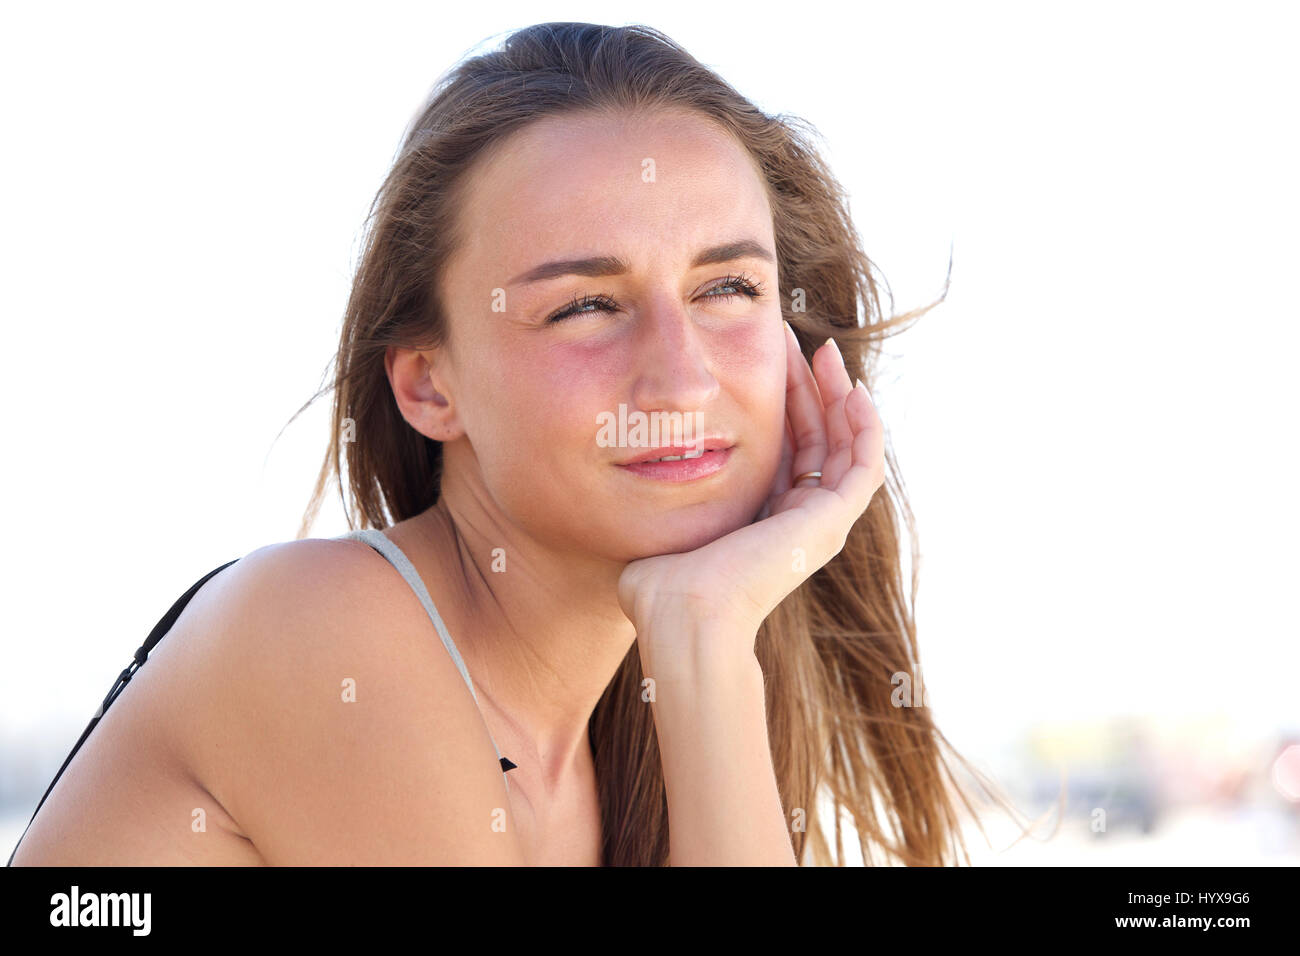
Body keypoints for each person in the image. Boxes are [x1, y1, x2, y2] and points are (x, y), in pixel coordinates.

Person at [11, 21, 1003, 866]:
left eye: (727, 287)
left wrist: (701, 632)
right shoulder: (323, 632)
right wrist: (703, 645)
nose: (683, 374)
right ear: (429, 384)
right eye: (584, 305)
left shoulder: (632, 737)